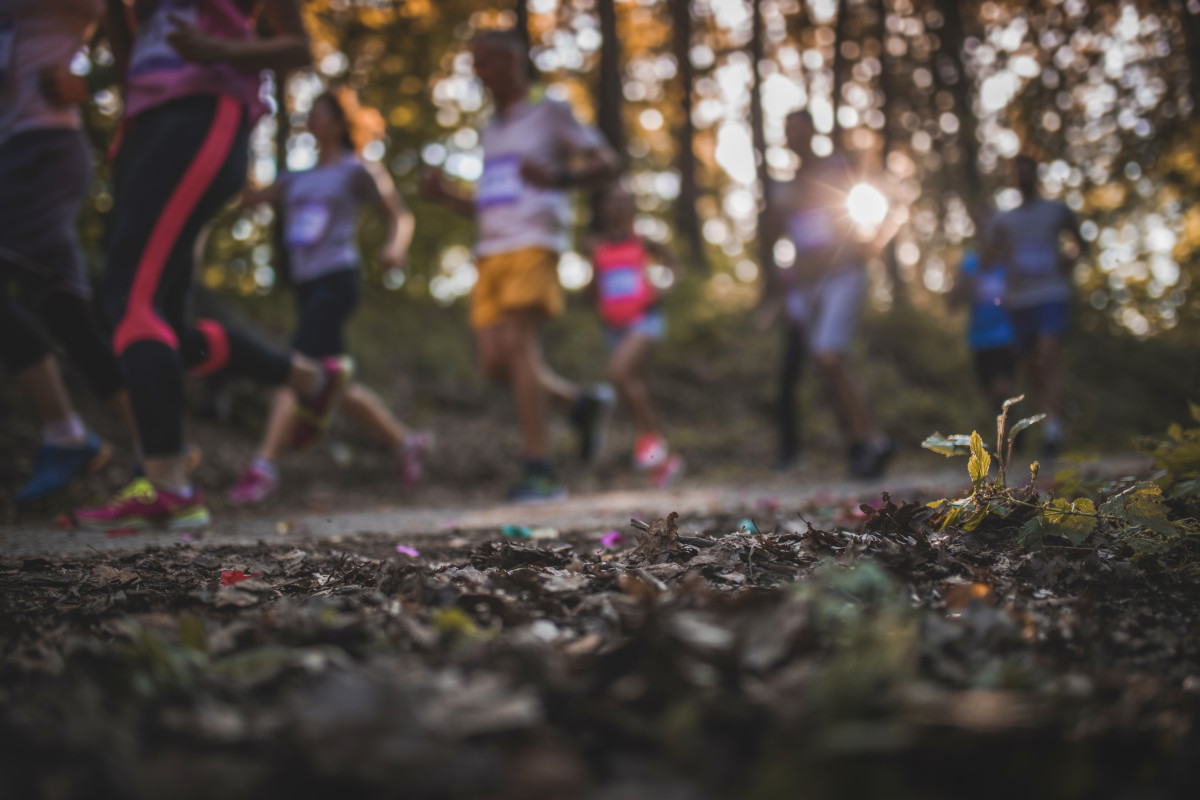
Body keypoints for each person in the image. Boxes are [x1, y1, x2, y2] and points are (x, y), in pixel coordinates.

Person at [74, 0, 350, 531]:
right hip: (143, 124)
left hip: (204, 111)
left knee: (128, 296)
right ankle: (307, 378)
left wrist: (220, 50)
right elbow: (134, 53)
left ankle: (169, 483)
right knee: (167, 326)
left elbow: (299, 47)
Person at [420, 29, 620, 503]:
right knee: (494, 362)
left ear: (513, 60)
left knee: (516, 341)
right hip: (491, 250)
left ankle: (541, 470)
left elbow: (608, 164)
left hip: (535, 241)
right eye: (475, 64)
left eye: (486, 62)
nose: (479, 74)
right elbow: (490, 202)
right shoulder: (492, 129)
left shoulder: (551, 111)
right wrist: (449, 198)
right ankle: (580, 404)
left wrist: (562, 176)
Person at [228, 89, 429, 504]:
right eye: (309, 115)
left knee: (294, 367)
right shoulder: (294, 177)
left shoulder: (357, 171)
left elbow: (399, 214)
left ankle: (262, 466)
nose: (312, 121)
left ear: (340, 123)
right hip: (304, 283)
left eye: (320, 114)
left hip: (338, 278)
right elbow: (249, 199)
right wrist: (241, 131)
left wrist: (395, 247)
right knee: (333, 381)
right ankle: (404, 442)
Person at [0, 0, 143, 502]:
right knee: (65, 312)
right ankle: (160, 449)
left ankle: (65, 435)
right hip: (14, 151)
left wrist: (95, 82)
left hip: (45, 148)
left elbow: (137, 23)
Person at [766, 110, 894, 479]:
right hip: (806, 286)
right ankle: (863, 441)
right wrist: (780, 288)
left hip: (843, 274)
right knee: (830, 366)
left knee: (829, 356)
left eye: (800, 128)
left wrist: (872, 238)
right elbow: (776, 238)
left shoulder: (837, 167)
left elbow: (875, 196)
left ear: (812, 132)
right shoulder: (782, 189)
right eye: (788, 130)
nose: (794, 135)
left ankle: (874, 439)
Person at [985, 154, 1087, 458]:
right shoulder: (1004, 219)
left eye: (1028, 171)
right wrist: (1004, 254)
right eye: (1018, 173)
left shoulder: (1056, 211)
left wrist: (1069, 260)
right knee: (1032, 367)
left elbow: (1081, 243)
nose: (1024, 177)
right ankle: (1052, 410)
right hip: (1019, 300)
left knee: (1049, 352)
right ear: (1012, 179)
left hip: (1051, 294)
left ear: (1037, 175)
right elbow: (988, 256)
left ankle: (1053, 430)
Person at [587, 184, 683, 488]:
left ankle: (650, 445)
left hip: (645, 320)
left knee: (619, 372)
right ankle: (665, 462)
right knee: (638, 388)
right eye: (612, 200)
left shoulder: (644, 241)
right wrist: (596, 302)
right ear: (604, 208)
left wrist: (665, 289)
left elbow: (675, 266)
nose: (617, 206)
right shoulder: (595, 246)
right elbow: (595, 284)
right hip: (614, 327)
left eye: (623, 200)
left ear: (632, 207)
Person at [951, 245, 1018, 417]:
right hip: (979, 340)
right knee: (991, 395)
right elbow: (952, 303)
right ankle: (1010, 436)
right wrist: (964, 283)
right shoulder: (968, 264)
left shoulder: (1007, 261)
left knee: (1002, 388)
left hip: (1006, 337)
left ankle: (1012, 436)